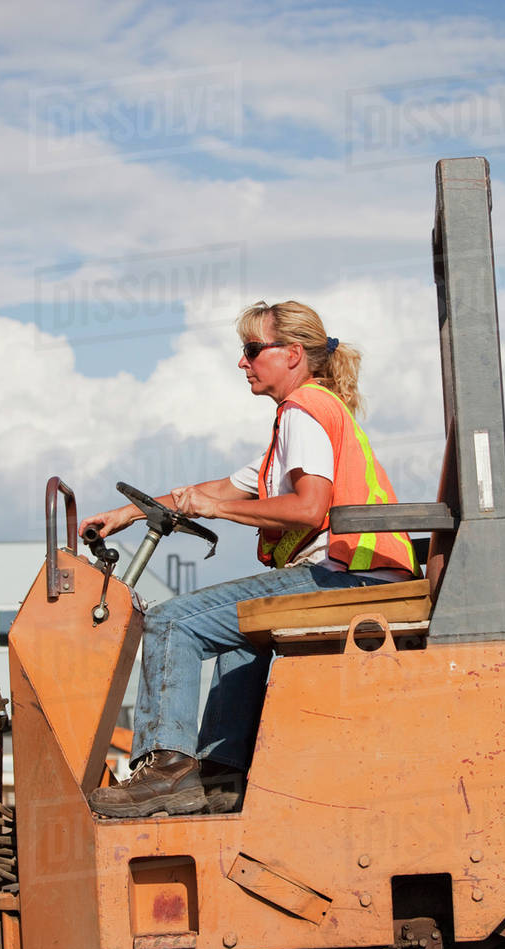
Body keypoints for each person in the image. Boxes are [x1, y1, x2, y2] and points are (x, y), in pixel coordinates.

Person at [79, 300, 417, 819]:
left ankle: (166, 770)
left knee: (171, 622)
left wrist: (218, 509)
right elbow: (216, 487)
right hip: (356, 575)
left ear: (293, 355)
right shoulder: (302, 420)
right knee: (239, 637)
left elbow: (309, 508)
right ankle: (222, 776)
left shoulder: (304, 411)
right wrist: (125, 514)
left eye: (252, 350)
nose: (243, 362)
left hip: (350, 578)